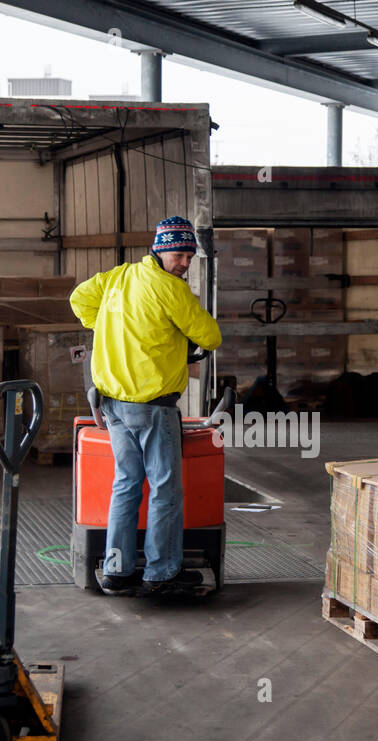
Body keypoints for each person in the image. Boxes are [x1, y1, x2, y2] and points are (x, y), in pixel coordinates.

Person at [69, 215, 222, 595]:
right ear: (161, 249)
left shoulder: (117, 278)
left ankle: (118, 571)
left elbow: (78, 299)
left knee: (125, 485)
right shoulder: (171, 290)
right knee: (166, 489)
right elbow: (210, 335)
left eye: (189, 256)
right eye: (180, 254)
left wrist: (104, 326)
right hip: (152, 407)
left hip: (113, 406)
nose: (185, 263)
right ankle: (161, 574)